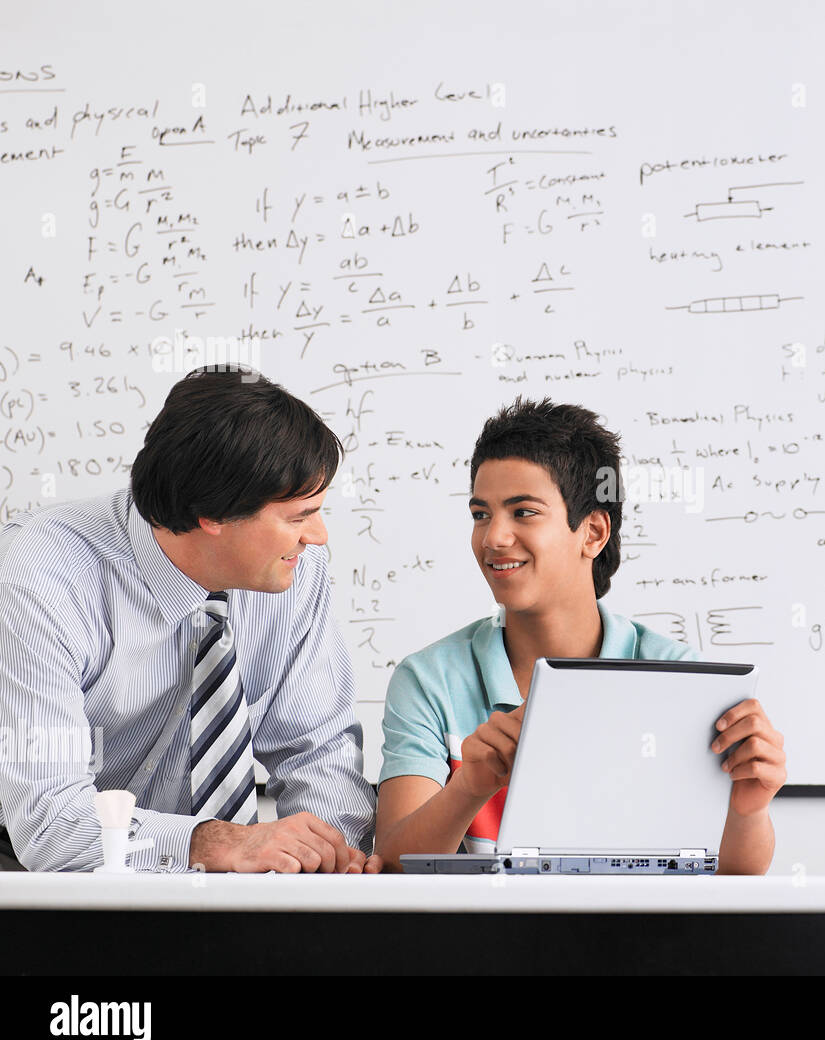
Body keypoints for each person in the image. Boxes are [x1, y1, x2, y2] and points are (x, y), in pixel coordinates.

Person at [375, 398, 785, 873]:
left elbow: (732, 877)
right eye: (481, 514)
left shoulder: (681, 679)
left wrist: (748, 810)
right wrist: (469, 787)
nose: (493, 538)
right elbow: (392, 866)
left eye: (523, 512)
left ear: (592, 532)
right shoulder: (429, 680)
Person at [0, 366, 380, 873]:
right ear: (213, 514)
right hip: (31, 872)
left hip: (205, 879)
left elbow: (317, 752)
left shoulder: (294, 570)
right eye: (299, 516)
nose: (318, 536)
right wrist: (213, 843)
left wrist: (331, 859)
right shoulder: (42, 574)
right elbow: (47, 822)